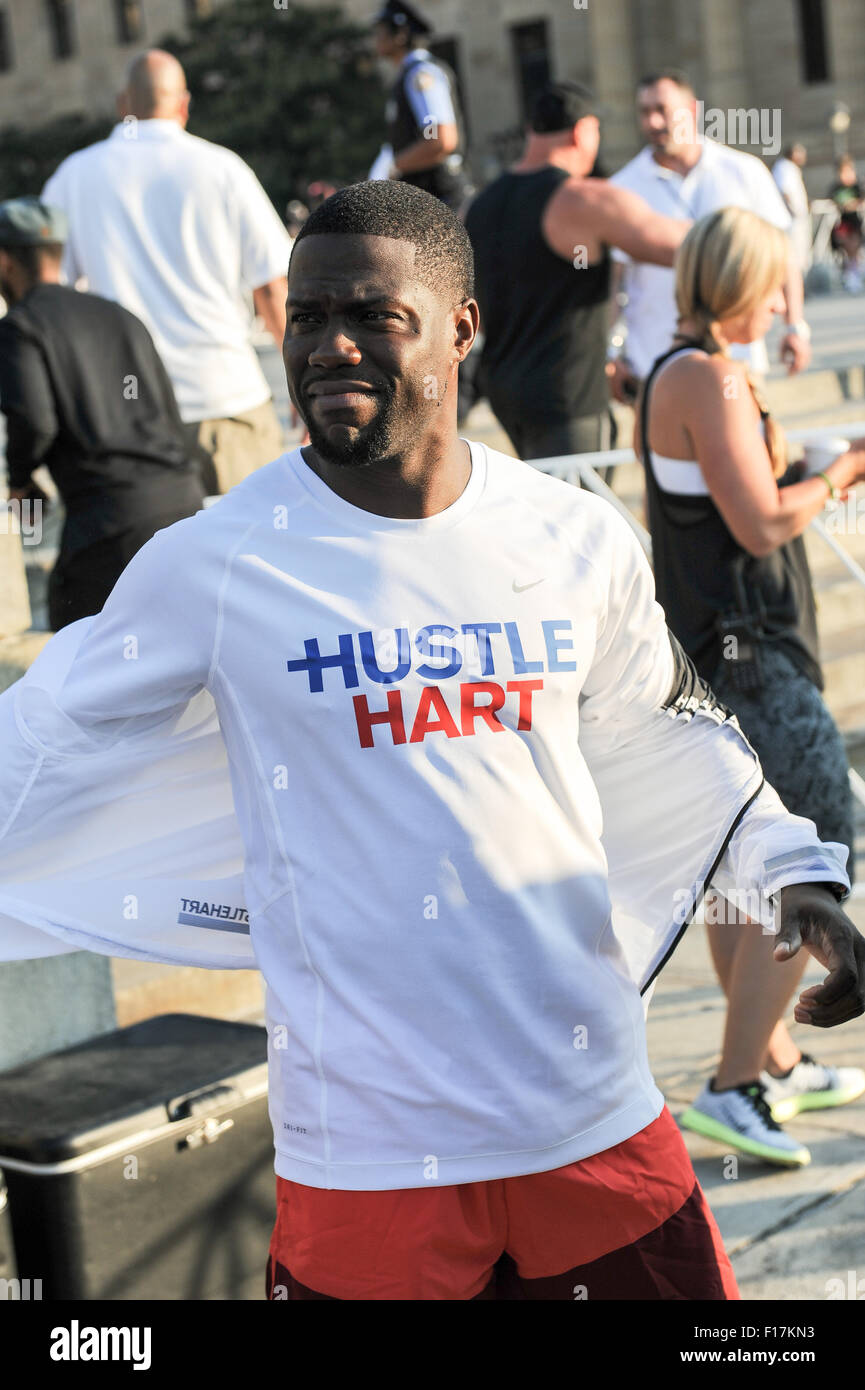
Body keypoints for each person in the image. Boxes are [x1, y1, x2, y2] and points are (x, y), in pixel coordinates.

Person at [0, 183, 861, 1302]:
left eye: (372, 315)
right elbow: (40, 735)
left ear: (462, 325)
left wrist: (792, 872)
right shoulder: (216, 564)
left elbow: (669, 730)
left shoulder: (570, 536)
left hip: (589, 1115)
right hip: (362, 1160)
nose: (329, 347)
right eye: (306, 318)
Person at [636, 207, 865, 1165]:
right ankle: (732, 1084)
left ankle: (766, 1059)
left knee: (742, 866)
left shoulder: (681, 371)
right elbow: (763, 522)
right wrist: (846, 468)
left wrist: (801, 466)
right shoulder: (710, 377)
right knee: (814, 854)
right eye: (775, 282)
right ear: (741, 283)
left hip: (723, 648)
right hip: (750, 651)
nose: (786, 299)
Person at [41, 49, 292, 496]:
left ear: (123, 105)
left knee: (154, 562)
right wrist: (301, 383)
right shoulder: (223, 168)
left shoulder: (73, 177)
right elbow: (272, 286)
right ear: (184, 104)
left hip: (126, 411)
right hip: (224, 398)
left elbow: (49, 295)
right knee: (253, 552)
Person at [0, 197, 205, 631]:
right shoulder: (119, 315)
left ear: (5, 263)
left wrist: (19, 478)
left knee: (75, 646)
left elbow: (34, 420)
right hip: (181, 501)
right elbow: (169, 413)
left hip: (108, 519)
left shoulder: (20, 327)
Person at [464, 82, 689, 461]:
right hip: (568, 399)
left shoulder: (478, 206)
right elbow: (689, 248)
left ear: (532, 131)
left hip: (504, 388)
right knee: (579, 512)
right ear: (583, 132)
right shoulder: (582, 199)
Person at [608, 70, 811, 407]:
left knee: (745, 454)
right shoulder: (622, 188)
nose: (653, 121)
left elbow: (783, 259)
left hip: (738, 360)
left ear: (691, 110)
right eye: (644, 112)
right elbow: (614, 283)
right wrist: (612, 351)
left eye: (662, 109)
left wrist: (794, 328)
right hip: (656, 364)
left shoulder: (744, 171)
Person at [370, 0, 470, 213]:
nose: (375, 39)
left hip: (439, 197)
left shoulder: (420, 75)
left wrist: (394, 166)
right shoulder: (407, 74)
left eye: (380, 31)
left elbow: (438, 138)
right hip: (429, 196)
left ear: (401, 34)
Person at [773, 142, 812, 275]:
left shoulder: (790, 168)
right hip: (792, 219)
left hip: (795, 218)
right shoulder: (785, 168)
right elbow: (785, 191)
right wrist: (794, 212)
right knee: (794, 252)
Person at [827, 156, 864, 293]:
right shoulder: (836, 188)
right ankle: (848, 273)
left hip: (855, 223)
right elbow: (831, 201)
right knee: (843, 247)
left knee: (853, 247)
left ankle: (854, 274)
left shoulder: (857, 186)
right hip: (842, 223)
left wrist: (854, 204)